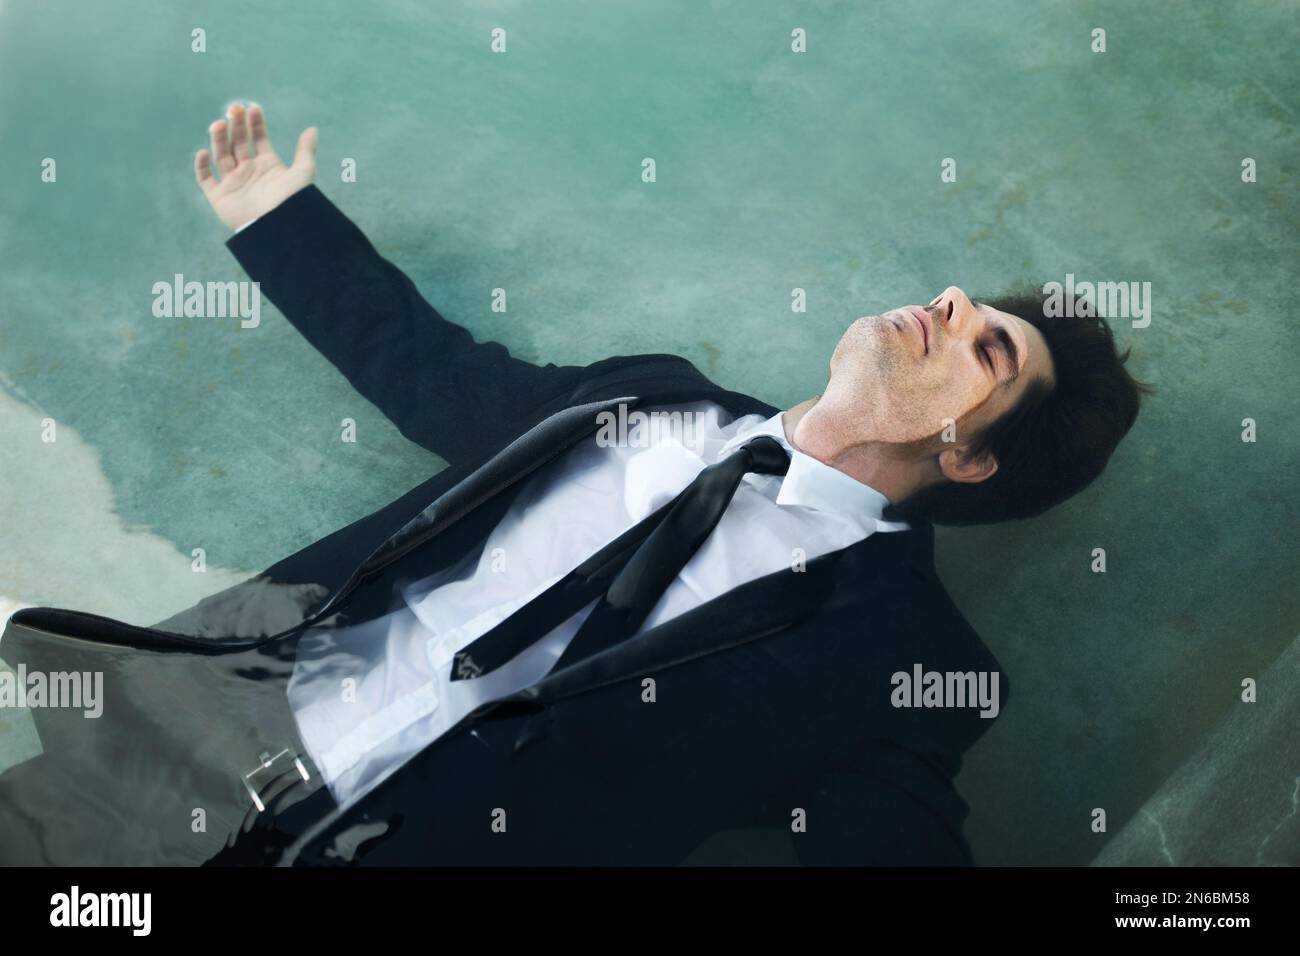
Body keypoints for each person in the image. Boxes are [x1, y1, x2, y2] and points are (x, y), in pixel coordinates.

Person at [0, 103, 1147, 866]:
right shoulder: (654, 396)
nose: (948, 304)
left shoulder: (908, 659)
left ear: (970, 455)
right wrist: (277, 217)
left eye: (987, 349)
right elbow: (431, 372)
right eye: (963, 301)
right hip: (164, 752)